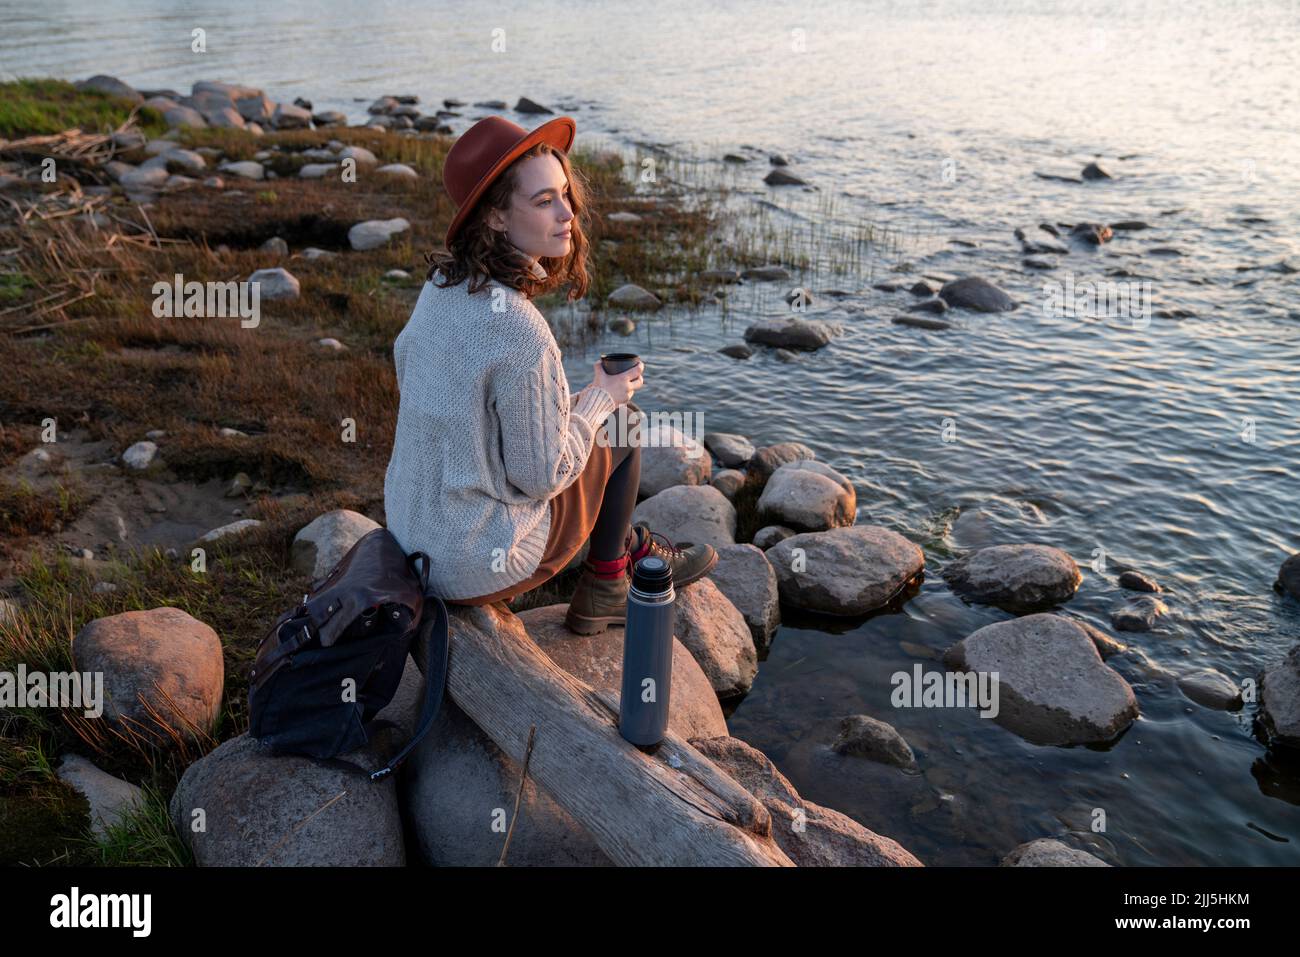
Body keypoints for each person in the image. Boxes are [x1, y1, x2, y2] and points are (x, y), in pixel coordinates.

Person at [383, 114, 716, 634]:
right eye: (544, 202)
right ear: (493, 218)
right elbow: (542, 477)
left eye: (565, 193)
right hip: (473, 563)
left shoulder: (439, 289)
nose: (568, 213)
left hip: (413, 536)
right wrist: (598, 400)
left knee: (593, 415)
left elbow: (425, 384)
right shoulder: (521, 330)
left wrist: (561, 410)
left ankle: (629, 548)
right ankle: (609, 581)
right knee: (623, 419)